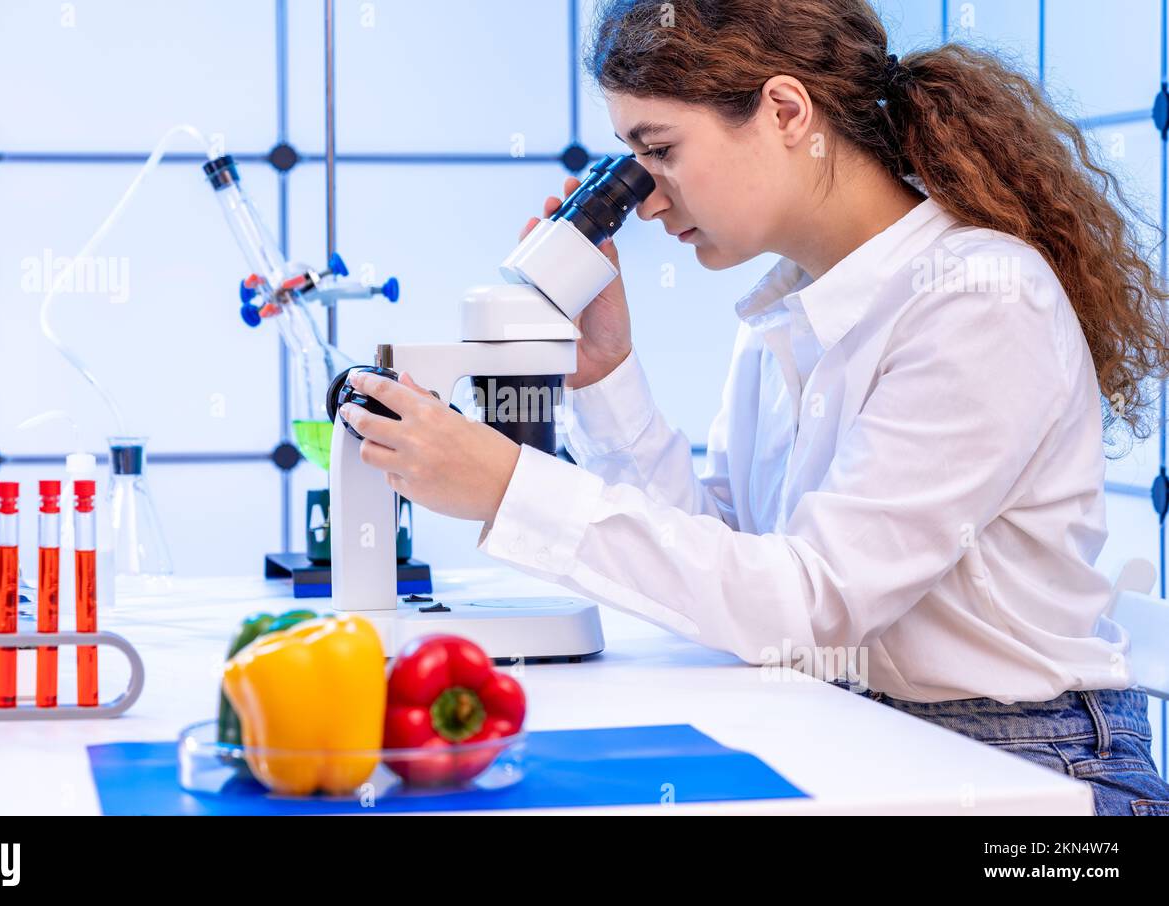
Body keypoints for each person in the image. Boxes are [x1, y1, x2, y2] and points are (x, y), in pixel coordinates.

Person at [337, 0, 1169, 815]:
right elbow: (732, 568)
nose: (648, 199)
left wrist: (508, 487)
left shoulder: (980, 300)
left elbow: (805, 606)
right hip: (855, 729)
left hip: (1032, 768)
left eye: (658, 151)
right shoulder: (789, 310)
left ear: (783, 110)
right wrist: (603, 374)